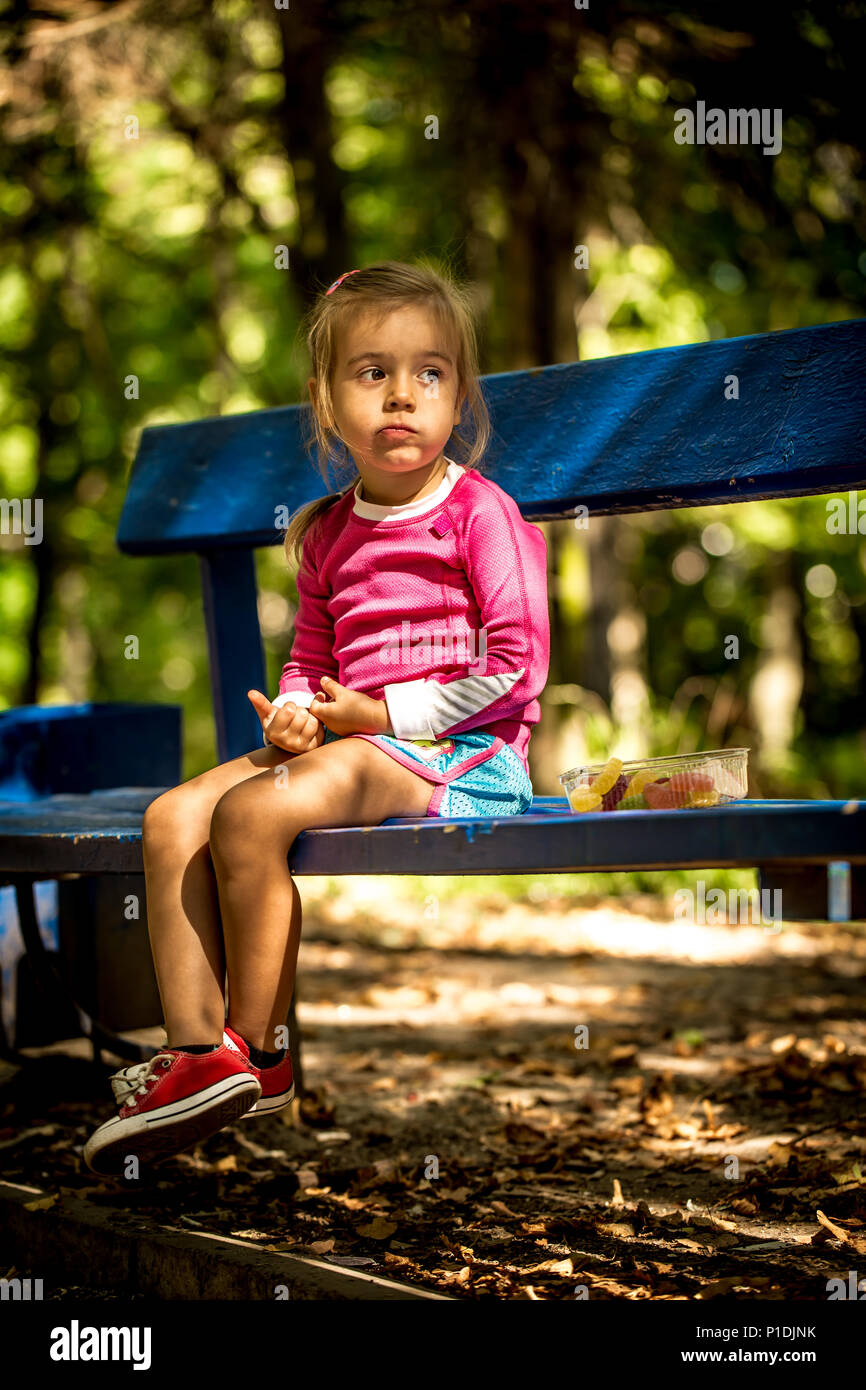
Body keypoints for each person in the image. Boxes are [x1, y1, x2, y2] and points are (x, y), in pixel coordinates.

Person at [84, 259, 550, 1177]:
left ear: (459, 395)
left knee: (249, 813)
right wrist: (296, 714)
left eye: (430, 373)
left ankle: (254, 1050)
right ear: (328, 401)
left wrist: (378, 712)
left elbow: (516, 668)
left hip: (464, 755)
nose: (403, 395)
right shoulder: (329, 532)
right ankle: (195, 1056)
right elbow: (310, 662)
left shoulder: (478, 516)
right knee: (174, 814)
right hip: (358, 748)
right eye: (373, 372)